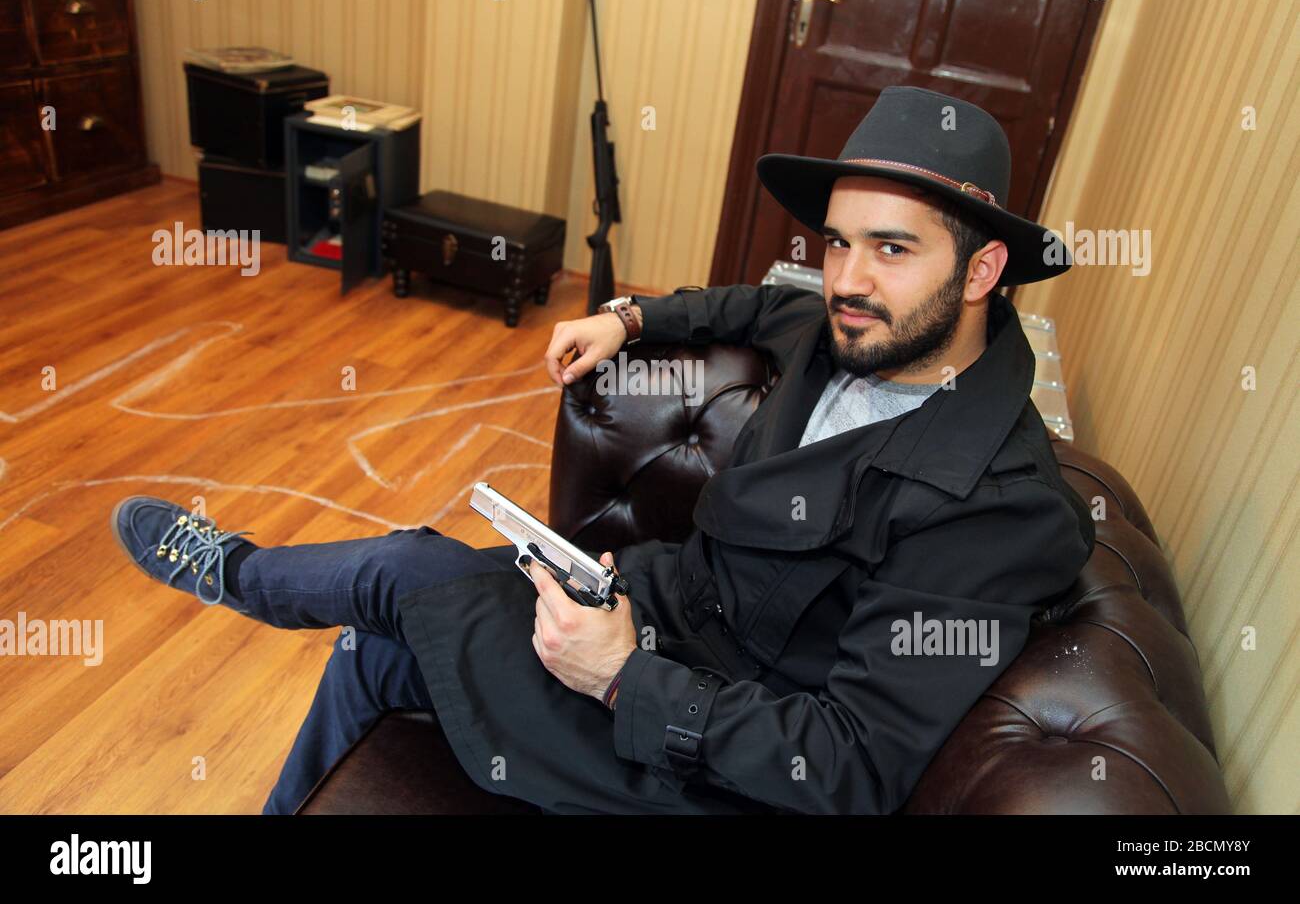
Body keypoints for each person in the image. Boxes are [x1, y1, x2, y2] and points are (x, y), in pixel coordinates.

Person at [111, 86, 1094, 814]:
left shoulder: (995, 504)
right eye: (836, 243)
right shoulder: (846, 327)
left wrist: (625, 675)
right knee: (376, 643)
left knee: (408, 571)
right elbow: (756, 305)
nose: (846, 278)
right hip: (662, 613)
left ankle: (237, 572)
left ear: (984, 268)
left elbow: (848, 763)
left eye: (890, 247)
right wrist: (626, 316)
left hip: (711, 752)